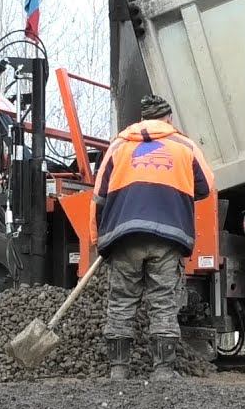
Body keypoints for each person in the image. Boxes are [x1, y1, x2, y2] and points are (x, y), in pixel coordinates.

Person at [91, 94, 214, 381]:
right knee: (163, 301)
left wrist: (99, 238)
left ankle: (118, 370)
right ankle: (163, 371)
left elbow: (98, 197)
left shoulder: (118, 147)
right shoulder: (185, 146)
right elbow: (206, 186)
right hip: (168, 236)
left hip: (123, 236)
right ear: (168, 119)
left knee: (121, 301)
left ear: (142, 119)